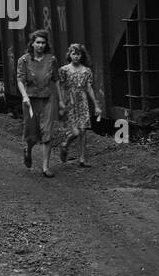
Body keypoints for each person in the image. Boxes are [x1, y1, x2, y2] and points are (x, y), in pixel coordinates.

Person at [16, 29, 60, 176]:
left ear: (46, 44)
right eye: (38, 42)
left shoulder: (51, 60)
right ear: (32, 44)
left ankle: (45, 167)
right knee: (31, 134)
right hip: (30, 101)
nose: (40, 45)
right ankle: (27, 150)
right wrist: (24, 96)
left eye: (43, 42)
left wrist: (61, 100)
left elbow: (56, 80)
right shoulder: (24, 60)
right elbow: (20, 80)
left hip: (47, 100)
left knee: (47, 132)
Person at [58, 43, 101, 167]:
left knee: (83, 131)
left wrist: (96, 105)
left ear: (82, 55)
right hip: (69, 101)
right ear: (69, 55)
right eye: (73, 54)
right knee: (75, 132)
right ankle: (65, 144)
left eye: (78, 54)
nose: (76, 56)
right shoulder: (64, 70)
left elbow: (89, 88)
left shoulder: (86, 71)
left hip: (82, 101)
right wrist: (61, 102)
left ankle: (82, 159)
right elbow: (60, 87)